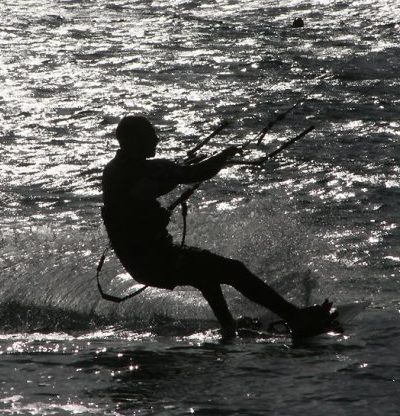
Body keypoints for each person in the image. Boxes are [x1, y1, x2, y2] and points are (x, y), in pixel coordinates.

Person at [101, 115, 337, 339]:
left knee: (206, 276)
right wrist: (225, 154)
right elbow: (195, 173)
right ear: (134, 140)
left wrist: (177, 175)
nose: (157, 139)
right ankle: (296, 318)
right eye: (150, 135)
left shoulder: (116, 170)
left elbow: (155, 185)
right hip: (156, 261)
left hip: (146, 261)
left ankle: (228, 327)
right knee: (234, 270)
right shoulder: (139, 169)